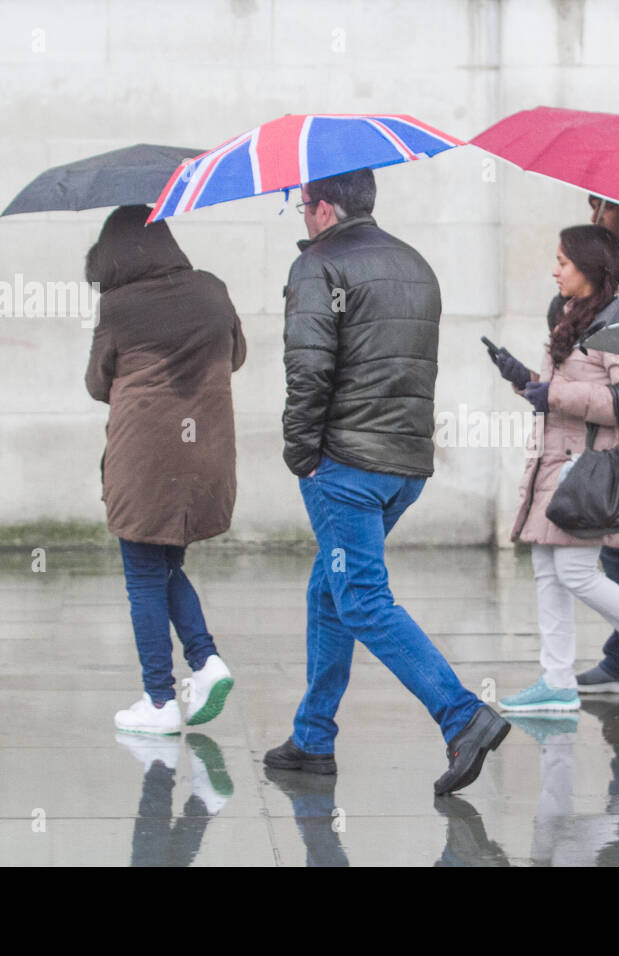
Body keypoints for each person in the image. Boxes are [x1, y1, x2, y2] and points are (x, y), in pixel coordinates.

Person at [267, 168, 509, 797]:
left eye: (302, 205)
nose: (301, 215)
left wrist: (302, 454)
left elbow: (309, 370)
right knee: (331, 589)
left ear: (323, 208)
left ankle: (462, 715)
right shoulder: (414, 264)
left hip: (346, 466)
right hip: (405, 465)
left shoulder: (317, 267)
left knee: (362, 600)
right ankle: (313, 737)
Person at [488, 225, 619, 713]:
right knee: (547, 567)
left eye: (563, 261)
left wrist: (555, 394)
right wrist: (525, 381)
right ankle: (557, 680)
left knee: (577, 571)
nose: (554, 270)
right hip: (555, 458)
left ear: (589, 267)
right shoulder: (570, 316)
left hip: (590, 466)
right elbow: (558, 388)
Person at [85, 205, 244, 735]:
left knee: (142, 577)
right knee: (165, 567)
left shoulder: (118, 306)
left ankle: (159, 700)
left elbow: (95, 382)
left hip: (143, 458)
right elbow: (237, 354)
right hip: (204, 455)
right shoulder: (213, 290)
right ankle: (205, 661)